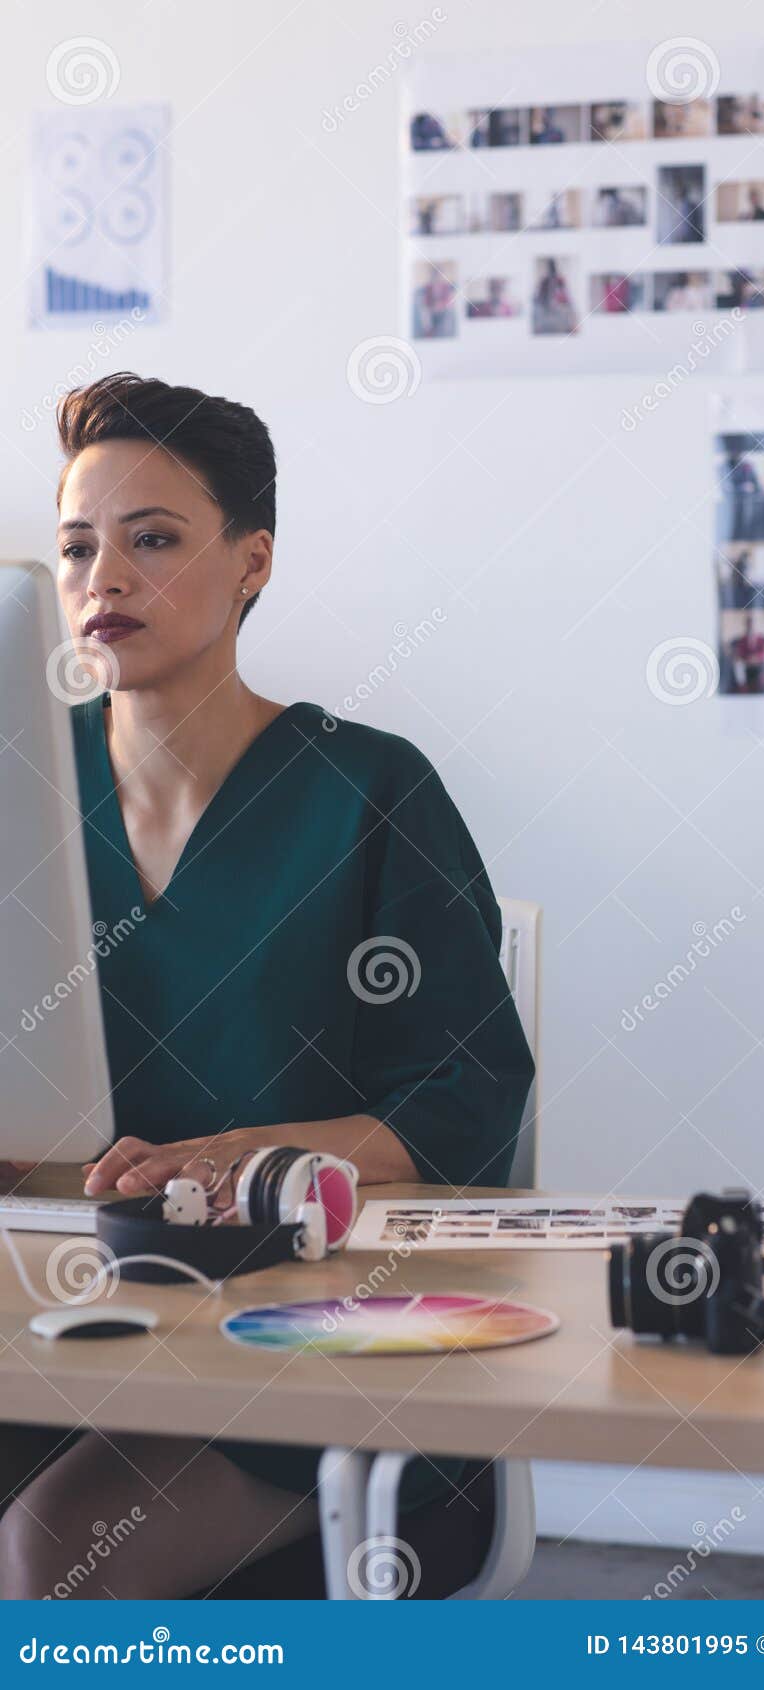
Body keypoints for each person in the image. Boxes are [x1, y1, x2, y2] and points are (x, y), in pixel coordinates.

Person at [0, 373, 535, 1599]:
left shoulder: (370, 791)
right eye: (78, 547)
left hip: (302, 1335)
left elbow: (465, 1096)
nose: (104, 578)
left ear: (253, 560)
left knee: (52, 1552)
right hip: (56, 1311)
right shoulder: (18, 793)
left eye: (153, 539)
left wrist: (235, 1157)